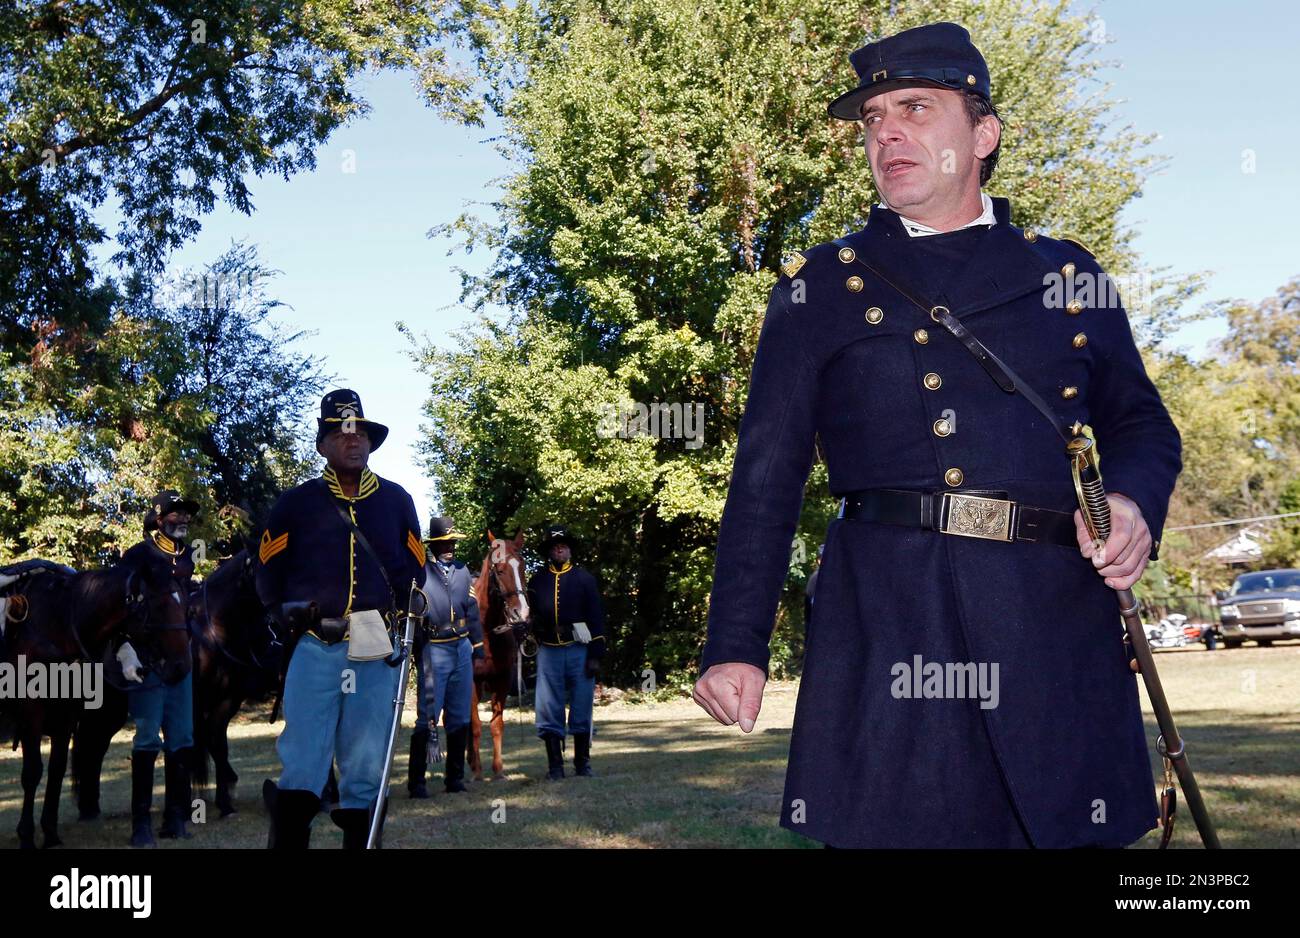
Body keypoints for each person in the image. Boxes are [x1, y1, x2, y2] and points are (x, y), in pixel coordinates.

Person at [692, 22, 1182, 848]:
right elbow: (765, 478)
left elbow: (1140, 421)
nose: (887, 132)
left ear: (982, 133)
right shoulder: (821, 286)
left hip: (1051, 621)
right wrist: (734, 643)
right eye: (873, 118)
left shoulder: (1068, 272)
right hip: (891, 621)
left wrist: (1130, 503)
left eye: (915, 108)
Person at [254, 389, 426, 848]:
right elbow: (267, 569)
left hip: (375, 648)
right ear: (323, 445)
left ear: (370, 442)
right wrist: (281, 614)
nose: (353, 441)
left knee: (367, 765)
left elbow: (415, 569)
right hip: (315, 645)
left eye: (360, 433)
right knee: (304, 760)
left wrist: (407, 618)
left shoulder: (396, 501)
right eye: (340, 432)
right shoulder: (295, 504)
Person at [116, 490, 200, 847]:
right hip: (148, 661)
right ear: (159, 519)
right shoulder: (136, 556)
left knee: (182, 739)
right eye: (175, 514)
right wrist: (124, 648)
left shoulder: (188, 560)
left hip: (181, 664)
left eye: (185, 515)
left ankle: (176, 816)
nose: (182, 520)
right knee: (147, 738)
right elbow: (117, 604)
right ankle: (141, 826)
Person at [408, 515, 484, 797]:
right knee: (427, 716)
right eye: (444, 543)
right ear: (434, 546)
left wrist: (478, 647)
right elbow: (413, 614)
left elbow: (472, 611)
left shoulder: (464, 571)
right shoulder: (421, 573)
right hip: (434, 647)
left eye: (452, 542)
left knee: (460, 715)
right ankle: (417, 783)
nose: (450, 547)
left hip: (461, 647)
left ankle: (455, 779)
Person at [528, 525, 606, 779]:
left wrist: (595, 654)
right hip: (549, 651)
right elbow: (532, 616)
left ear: (570, 549)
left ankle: (582, 764)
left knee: (582, 706)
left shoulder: (584, 579)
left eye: (563, 545)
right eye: (555, 546)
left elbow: (596, 618)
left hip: (579, 650)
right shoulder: (537, 580)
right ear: (550, 551)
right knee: (549, 709)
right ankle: (555, 767)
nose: (559, 549)